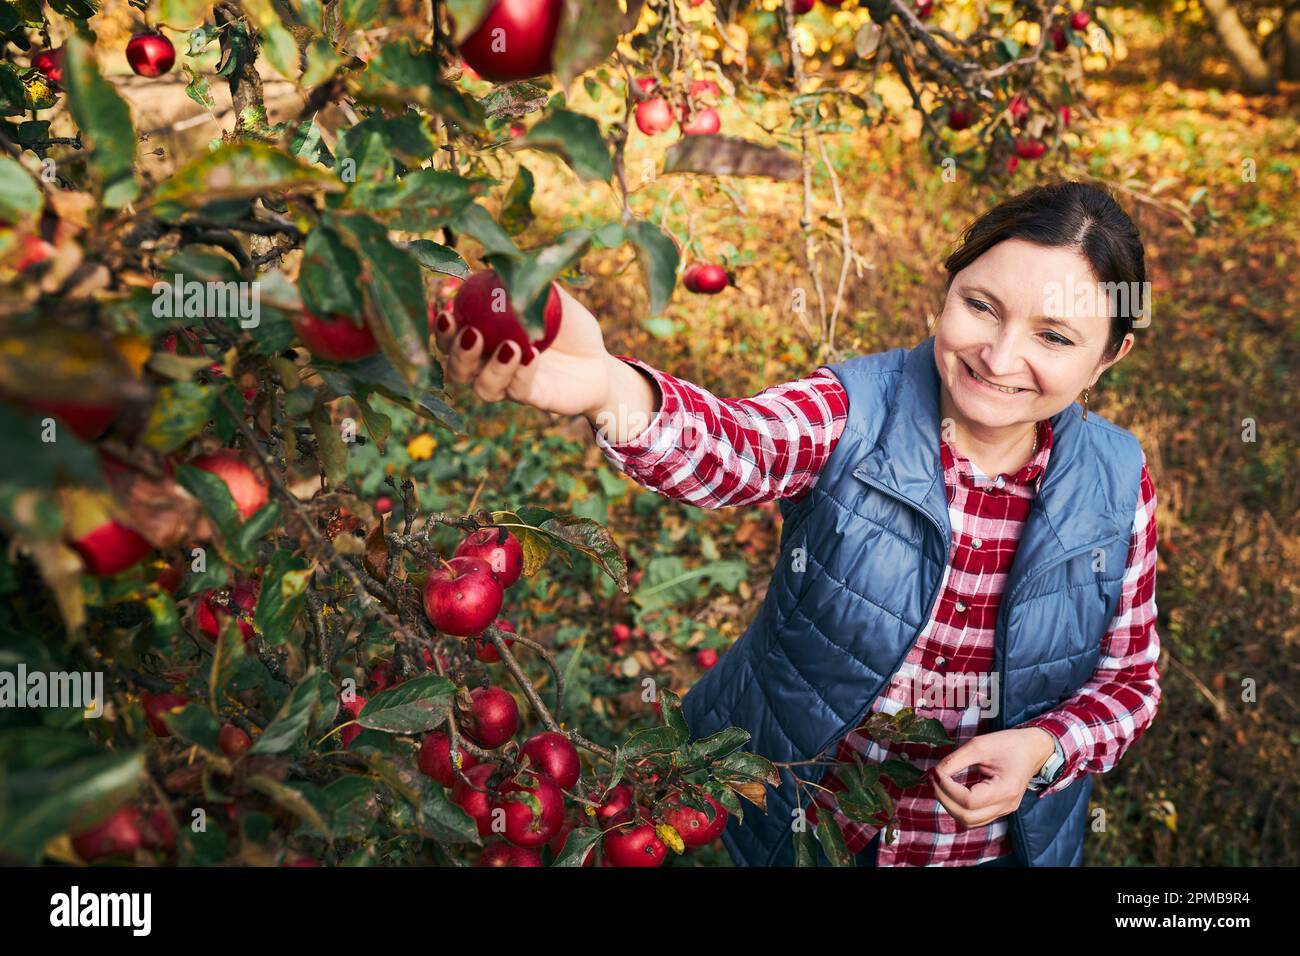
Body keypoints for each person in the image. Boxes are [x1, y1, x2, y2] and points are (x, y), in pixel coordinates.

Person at [431, 181, 1162, 867]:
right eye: (981, 305)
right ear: (949, 285)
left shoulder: (1119, 486)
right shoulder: (854, 412)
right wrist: (610, 387)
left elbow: (1128, 684)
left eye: (1055, 338)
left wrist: (1044, 747)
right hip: (790, 816)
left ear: (1111, 356)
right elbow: (737, 448)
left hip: (989, 848)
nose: (1000, 356)